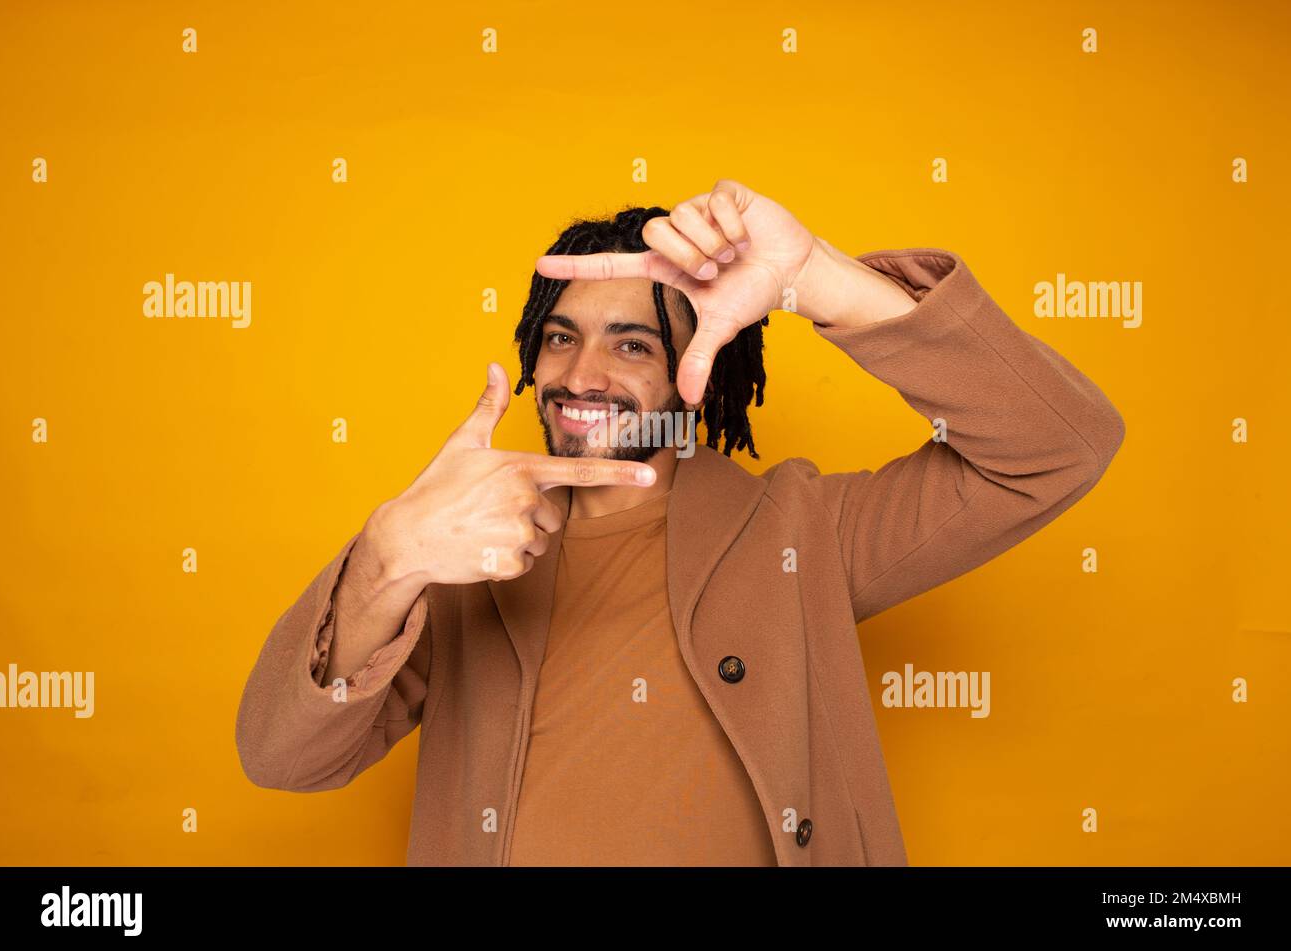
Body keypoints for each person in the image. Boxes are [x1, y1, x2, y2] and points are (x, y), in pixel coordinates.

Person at [235, 179, 1125, 866]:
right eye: (559, 336)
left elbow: (1060, 444)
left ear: (699, 369)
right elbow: (282, 760)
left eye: (633, 343)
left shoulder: (805, 531)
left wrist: (816, 277)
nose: (583, 373)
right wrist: (386, 558)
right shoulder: (460, 551)